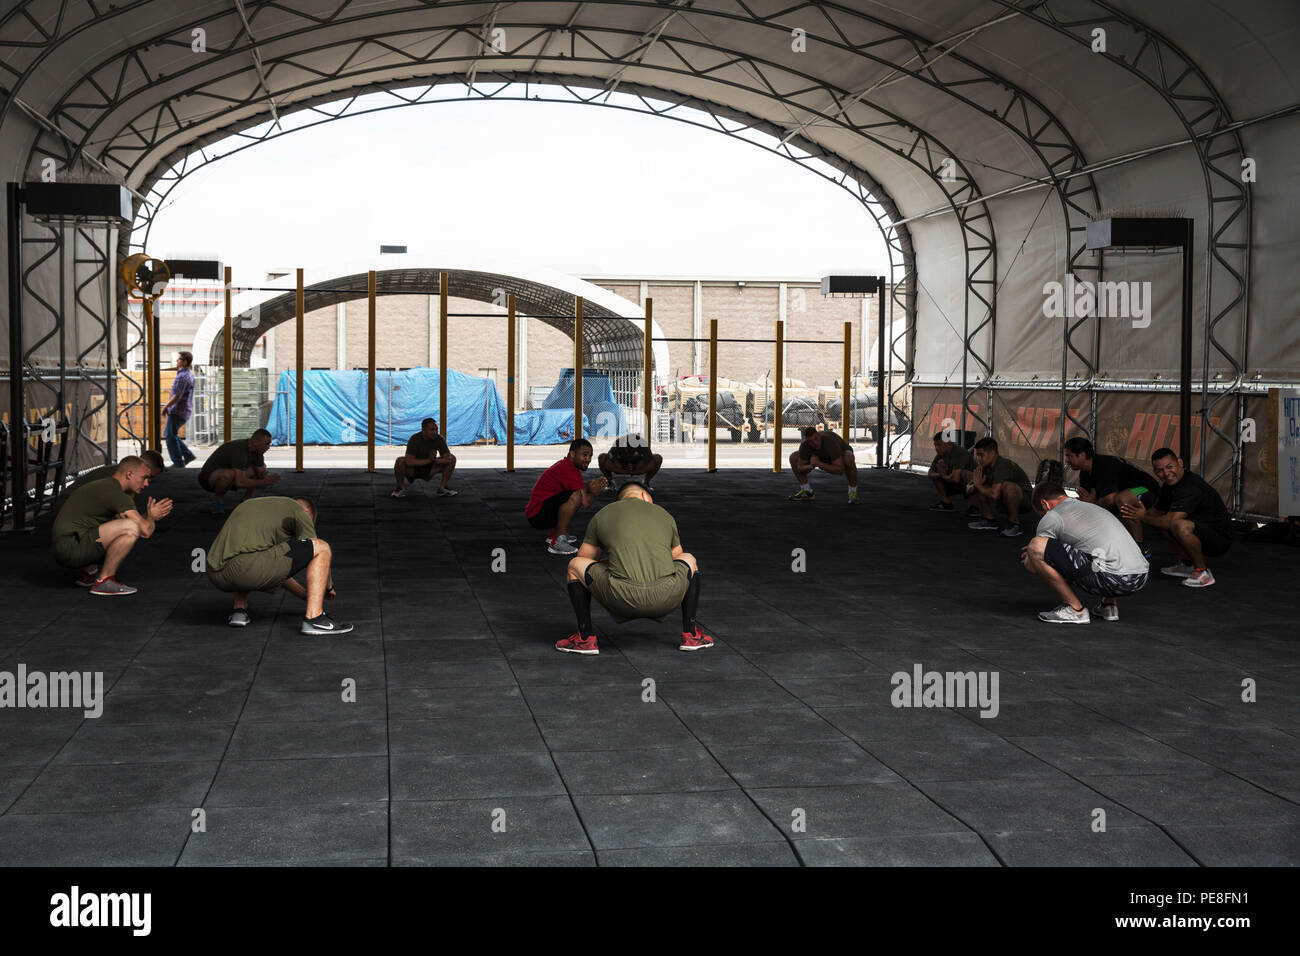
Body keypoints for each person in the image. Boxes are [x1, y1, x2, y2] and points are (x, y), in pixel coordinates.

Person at [557, 483, 711, 655]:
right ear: (645, 496)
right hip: (666, 597)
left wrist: (618, 560)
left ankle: (585, 639)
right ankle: (691, 635)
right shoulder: (664, 514)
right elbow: (676, 559)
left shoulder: (603, 514)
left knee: (574, 566)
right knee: (689, 558)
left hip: (621, 599)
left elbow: (585, 559)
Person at [205, 495, 353, 634]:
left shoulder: (251, 507)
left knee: (247, 553)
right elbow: (314, 548)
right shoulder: (298, 510)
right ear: (307, 512)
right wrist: (328, 587)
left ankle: (239, 610)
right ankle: (315, 618)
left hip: (215, 573)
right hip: (247, 569)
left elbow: (275, 567)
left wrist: (304, 594)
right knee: (322, 547)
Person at [1021, 482, 1149, 624]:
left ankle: (1075, 609)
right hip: (1140, 577)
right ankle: (1109, 605)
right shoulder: (1091, 507)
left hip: (1114, 579)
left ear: (1045, 504)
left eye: (1041, 514)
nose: (1043, 517)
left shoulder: (1052, 515)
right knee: (1099, 549)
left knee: (1036, 546)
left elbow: (1032, 565)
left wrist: (1031, 555)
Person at [50, 455, 173, 595]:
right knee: (130, 528)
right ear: (129, 474)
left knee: (122, 524)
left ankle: (89, 574)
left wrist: (149, 517)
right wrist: (151, 517)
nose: (146, 484)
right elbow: (145, 531)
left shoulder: (110, 485)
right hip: (69, 549)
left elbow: (122, 524)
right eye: (144, 478)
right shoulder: (117, 494)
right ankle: (104, 581)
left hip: (70, 543)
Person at [1119, 447, 1233, 588]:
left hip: (1219, 538)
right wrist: (1130, 516)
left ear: (1179, 462)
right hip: (1200, 529)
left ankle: (1202, 572)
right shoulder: (1169, 486)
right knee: (1162, 524)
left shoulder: (1190, 486)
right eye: (1160, 470)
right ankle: (1188, 564)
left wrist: (1142, 517)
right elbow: (1155, 513)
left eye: (1169, 467)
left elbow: (1170, 522)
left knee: (1177, 525)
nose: (1166, 473)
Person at [1062, 436, 1157, 552]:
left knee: (1122, 499)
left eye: (1069, 456)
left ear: (1081, 455)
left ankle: (1140, 546)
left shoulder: (1104, 465)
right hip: (1126, 493)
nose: (1066, 460)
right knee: (1090, 507)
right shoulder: (1085, 473)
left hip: (1148, 489)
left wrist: (1093, 503)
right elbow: (1089, 500)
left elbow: (1110, 498)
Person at [525, 438, 607, 555]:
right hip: (537, 515)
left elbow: (580, 493)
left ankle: (556, 534)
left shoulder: (567, 466)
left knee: (574, 495)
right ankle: (557, 542)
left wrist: (589, 489)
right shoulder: (568, 469)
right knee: (575, 498)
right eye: (584, 455)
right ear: (573, 454)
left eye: (590, 456)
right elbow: (584, 502)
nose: (588, 459)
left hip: (537, 511)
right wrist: (594, 492)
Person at [51, 450, 164, 517]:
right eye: (147, 477)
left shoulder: (125, 477)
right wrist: (149, 517)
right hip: (66, 508)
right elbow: (130, 522)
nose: (147, 483)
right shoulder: (117, 479)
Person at [198, 429, 279, 513]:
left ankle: (246, 500)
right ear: (256, 442)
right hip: (207, 478)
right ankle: (218, 501)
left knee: (257, 470)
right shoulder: (240, 449)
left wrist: (265, 476)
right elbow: (239, 482)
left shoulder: (258, 452)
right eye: (266, 444)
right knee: (228, 475)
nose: (269, 447)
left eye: (269, 444)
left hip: (228, 475)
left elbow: (262, 472)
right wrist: (265, 481)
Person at [967, 437, 1032, 537]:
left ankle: (1015, 524)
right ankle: (989, 520)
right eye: (977, 455)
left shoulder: (1003, 465)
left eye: (981, 455)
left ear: (992, 453)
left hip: (1025, 501)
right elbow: (968, 490)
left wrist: (978, 485)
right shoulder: (983, 467)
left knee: (1008, 486)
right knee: (980, 485)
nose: (978, 459)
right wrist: (976, 486)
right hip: (1003, 500)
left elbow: (995, 495)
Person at [789, 427, 859, 503]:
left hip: (839, 453)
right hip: (817, 458)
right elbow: (800, 468)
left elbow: (840, 470)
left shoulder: (829, 442)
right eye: (810, 441)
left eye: (816, 439)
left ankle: (853, 493)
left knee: (848, 458)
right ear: (806, 441)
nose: (814, 443)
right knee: (794, 457)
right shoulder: (805, 445)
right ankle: (807, 491)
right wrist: (811, 465)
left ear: (818, 435)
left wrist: (819, 464)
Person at [391, 417, 457, 497]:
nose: (435, 432)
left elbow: (448, 458)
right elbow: (409, 461)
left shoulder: (439, 439)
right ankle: (400, 488)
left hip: (431, 468)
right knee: (400, 461)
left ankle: (442, 488)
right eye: (431, 430)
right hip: (414, 469)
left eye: (436, 429)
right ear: (423, 430)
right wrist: (429, 460)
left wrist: (434, 461)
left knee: (453, 458)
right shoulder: (414, 439)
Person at [163, 351, 197, 468]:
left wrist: (165, 406)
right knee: (172, 434)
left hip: (178, 411)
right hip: (182, 410)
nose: (177, 361)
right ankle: (187, 455)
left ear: (185, 362)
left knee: (169, 435)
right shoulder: (187, 374)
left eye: (179, 359)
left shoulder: (183, 376)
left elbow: (177, 396)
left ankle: (178, 463)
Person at [927, 431, 976, 512]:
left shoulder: (960, 453)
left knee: (965, 474)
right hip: (954, 481)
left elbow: (955, 478)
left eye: (939, 445)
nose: (936, 448)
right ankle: (946, 503)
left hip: (974, 486)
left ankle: (975, 507)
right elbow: (929, 474)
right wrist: (940, 474)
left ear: (949, 444)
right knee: (935, 476)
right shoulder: (940, 455)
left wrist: (942, 474)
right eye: (935, 445)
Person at [597, 434, 662, 492]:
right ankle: (611, 483)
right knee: (602, 457)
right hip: (622, 467)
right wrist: (622, 467)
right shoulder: (619, 442)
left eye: (632, 450)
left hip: (638, 467)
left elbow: (648, 459)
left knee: (658, 458)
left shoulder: (643, 444)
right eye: (628, 449)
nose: (630, 451)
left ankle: (646, 482)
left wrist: (636, 467)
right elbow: (611, 458)